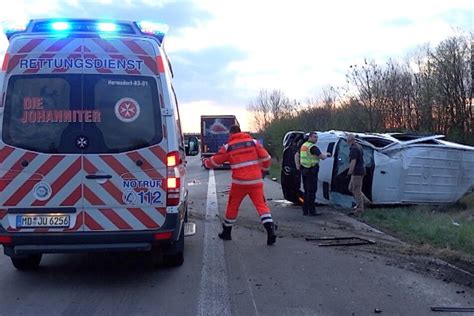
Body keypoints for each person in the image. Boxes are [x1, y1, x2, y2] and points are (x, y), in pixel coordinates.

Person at [204, 125, 276, 245]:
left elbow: (215, 161)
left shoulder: (229, 147)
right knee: (262, 206)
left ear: (231, 134)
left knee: (233, 206)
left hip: (239, 183)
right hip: (256, 181)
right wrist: (263, 170)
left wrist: (206, 163)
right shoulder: (253, 142)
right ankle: (270, 230)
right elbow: (266, 157)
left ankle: (227, 232)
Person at [295, 131, 331, 216]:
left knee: (306, 191)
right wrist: (327, 154)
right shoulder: (313, 147)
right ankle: (312, 211)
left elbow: (296, 155)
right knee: (311, 191)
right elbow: (322, 157)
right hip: (311, 171)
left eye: (317, 137)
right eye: (315, 137)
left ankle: (305, 210)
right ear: (310, 137)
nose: (316, 139)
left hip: (304, 171)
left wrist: (298, 166)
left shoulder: (304, 146)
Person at [347, 133, 367, 216]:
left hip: (357, 172)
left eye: (347, 140)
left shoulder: (354, 149)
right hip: (360, 170)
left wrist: (349, 172)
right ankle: (366, 202)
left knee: (356, 190)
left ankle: (359, 209)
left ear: (349, 140)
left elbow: (353, 161)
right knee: (351, 188)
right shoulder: (359, 146)